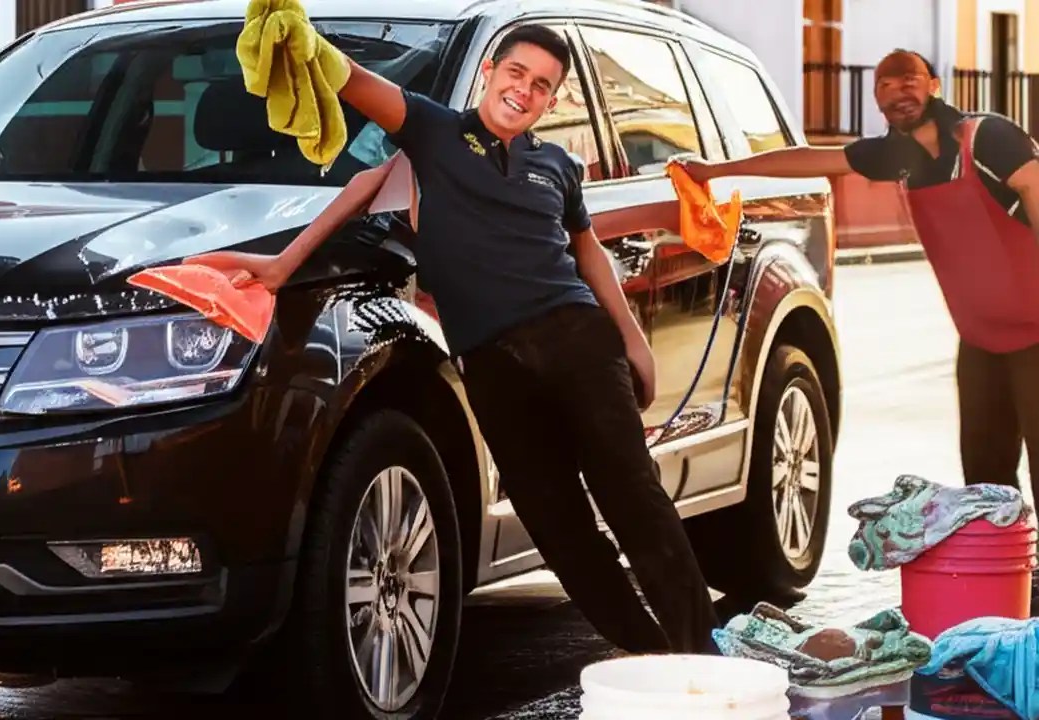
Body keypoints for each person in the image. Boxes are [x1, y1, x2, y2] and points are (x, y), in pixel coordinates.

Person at [195, 24, 721, 654]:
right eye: (516, 74)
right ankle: (653, 656)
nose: (524, 91)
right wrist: (282, 265)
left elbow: (587, 252)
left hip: (576, 338)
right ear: (490, 72)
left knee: (633, 496)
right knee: (557, 527)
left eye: (541, 86)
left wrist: (632, 340)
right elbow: (350, 88)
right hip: (491, 364)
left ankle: (700, 654)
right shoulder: (434, 132)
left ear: (553, 101)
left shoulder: (557, 165)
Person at [680, 49, 1039, 504]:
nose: (898, 92)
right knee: (985, 484)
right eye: (885, 85)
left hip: (1036, 335)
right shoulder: (897, 157)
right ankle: (1004, 553)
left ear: (934, 85)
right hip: (980, 341)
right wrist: (716, 172)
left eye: (909, 80)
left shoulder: (989, 138)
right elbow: (810, 160)